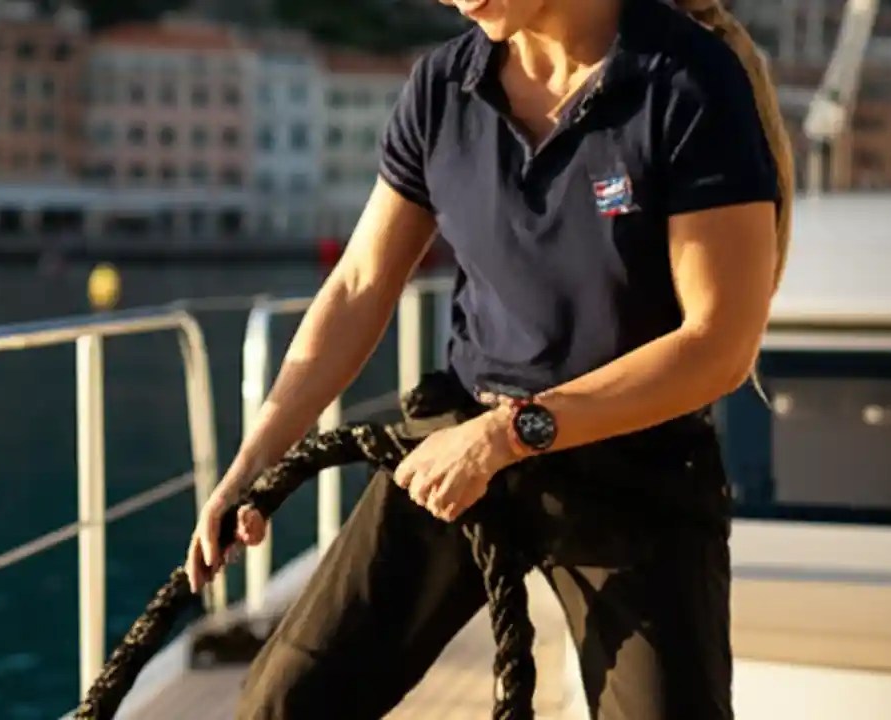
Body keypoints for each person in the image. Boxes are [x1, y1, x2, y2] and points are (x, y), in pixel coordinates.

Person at [185, 0, 794, 717]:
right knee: (284, 702)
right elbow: (359, 286)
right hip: (461, 434)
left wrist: (505, 437)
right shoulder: (443, 88)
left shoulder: (686, 82)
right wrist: (254, 462)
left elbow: (718, 345)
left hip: (635, 465)